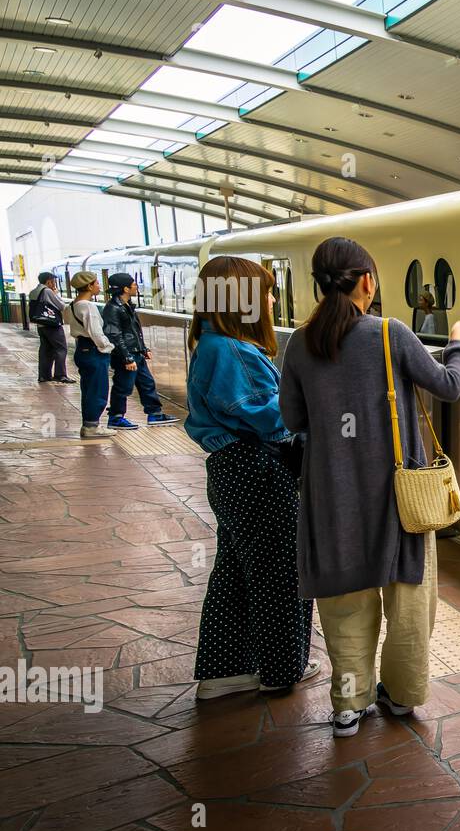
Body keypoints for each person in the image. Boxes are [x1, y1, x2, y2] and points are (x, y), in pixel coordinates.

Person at [279, 237, 460, 737]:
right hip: (397, 496)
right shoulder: (391, 334)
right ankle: (403, 696)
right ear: (366, 280)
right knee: (408, 600)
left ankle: (349, 704)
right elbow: (449, 385)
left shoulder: (299, 344)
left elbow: (293, 418)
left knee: (345, 602)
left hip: (331, 496)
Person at [184, 256, 320, 699]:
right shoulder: (231, 350)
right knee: (281, 573)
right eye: (265, 290)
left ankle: (224, 670)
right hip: (257, 469)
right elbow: (272, 419)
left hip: (232, 471)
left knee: (236, 570)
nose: (272, 297)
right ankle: (281, 670)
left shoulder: (210, 344)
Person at [102, 272, 180, 430]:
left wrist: (143, 348)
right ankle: (115, 418)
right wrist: (127, 358)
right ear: (125, 288)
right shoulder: (113, 308)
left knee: (147, 383)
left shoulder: (126, 306)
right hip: (127, 356)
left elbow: (133, 332)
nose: (136, 286)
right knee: (123, 386)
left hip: (136, 353)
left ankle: (155, 414)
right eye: (134, 284)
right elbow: (114, 335)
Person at [66, 272, 115, 438]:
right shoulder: (88, 306)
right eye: (96, 283)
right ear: (89, 286)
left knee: (88, 388)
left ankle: (89, 423)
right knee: (98, 388)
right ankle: (92, 426)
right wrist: (108, 347)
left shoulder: (73, 305)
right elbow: (96, 332)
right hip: (93, 350)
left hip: (81, 349)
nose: (99, 286)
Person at [29, 272, 75, 385]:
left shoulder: (34, 291)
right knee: (61, 348)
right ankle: (60, 375)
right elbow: (62, 306)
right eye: (53, 281)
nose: (54, 283)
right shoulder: (47, 291)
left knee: (45, 349)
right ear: (49, 281)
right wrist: (56, 293)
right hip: (51, 324)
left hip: (41, 324)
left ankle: (44, 375)